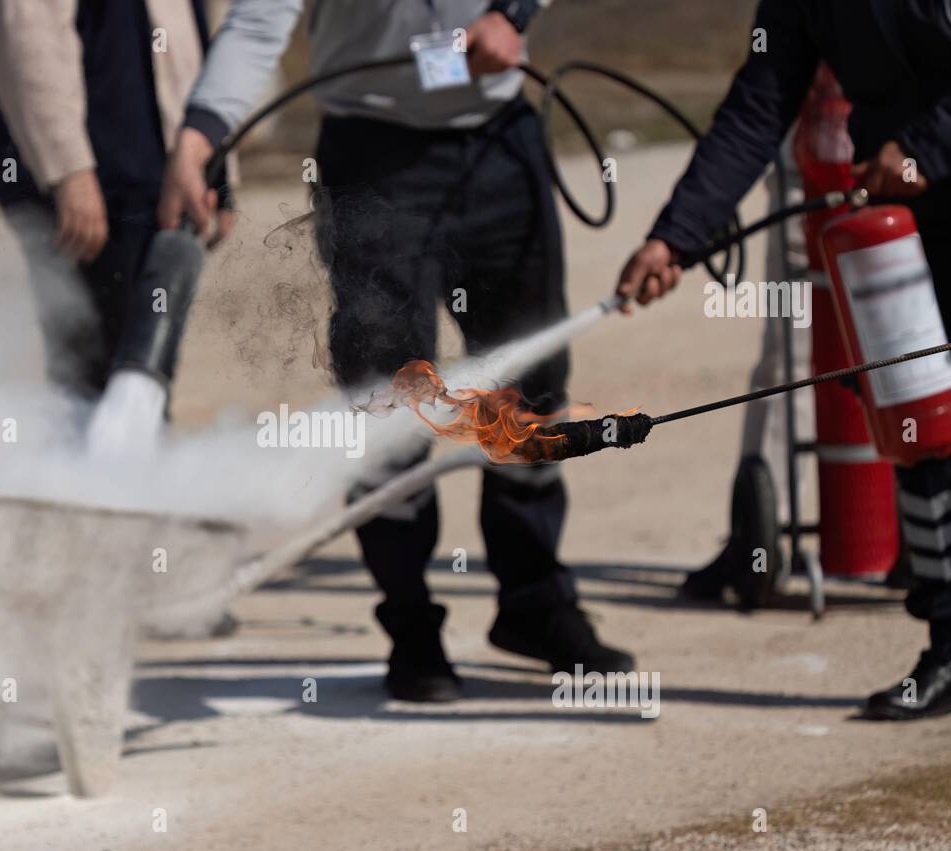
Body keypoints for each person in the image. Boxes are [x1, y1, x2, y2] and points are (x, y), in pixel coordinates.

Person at [161, 0, 635, 703]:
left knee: (530, 389)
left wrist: (513, 13)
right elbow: (259, 21)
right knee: (390, 405)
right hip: (371, 156)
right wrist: (199, 137)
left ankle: (535, 603)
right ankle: (411, 626)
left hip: (500, 146)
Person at [616, 0, 951, 719]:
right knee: (919, 428)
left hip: (937, 164)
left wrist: (933, 141)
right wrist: (677, 237)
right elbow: (759, 103)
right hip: (902, 224)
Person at [0, 0, 232, 403]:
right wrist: (68, 169)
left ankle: (134, 455)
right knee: (89, 367)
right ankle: (89, 460)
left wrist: (219, 170)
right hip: (74, 175)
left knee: (147, 361)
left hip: (160, 166)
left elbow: (197, 23)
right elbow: (25, 28)